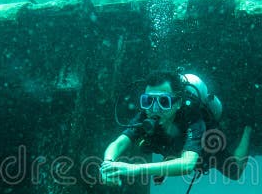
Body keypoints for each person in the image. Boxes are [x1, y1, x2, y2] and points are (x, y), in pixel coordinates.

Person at [100, 70, 252, 186]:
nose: (154, 109)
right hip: (175, 147)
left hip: (205, 148)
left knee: (235, 172)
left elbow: (188, 164)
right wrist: (107, 164)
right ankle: (169, 159)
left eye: (164, 102)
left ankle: (248, 129)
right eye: (148, 101)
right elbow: (119, 143)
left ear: (178, 102)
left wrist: (134, 169)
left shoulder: (192, 116)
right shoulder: (145, 115)